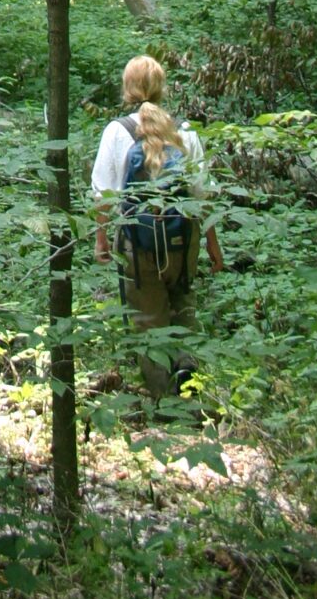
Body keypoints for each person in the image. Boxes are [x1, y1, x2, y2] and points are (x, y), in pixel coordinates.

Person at [91, 54, 225, 400]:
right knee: (183, 309)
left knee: (149, 323)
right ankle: (189, 384)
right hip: (183, 241)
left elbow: (103, 194)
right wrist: (213, 245)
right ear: (162, 88)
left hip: (138, 245)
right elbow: (202, 195)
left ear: (128, 88)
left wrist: (101, 239)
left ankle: (166, 406)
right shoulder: (184, 132)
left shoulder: (117, 132)